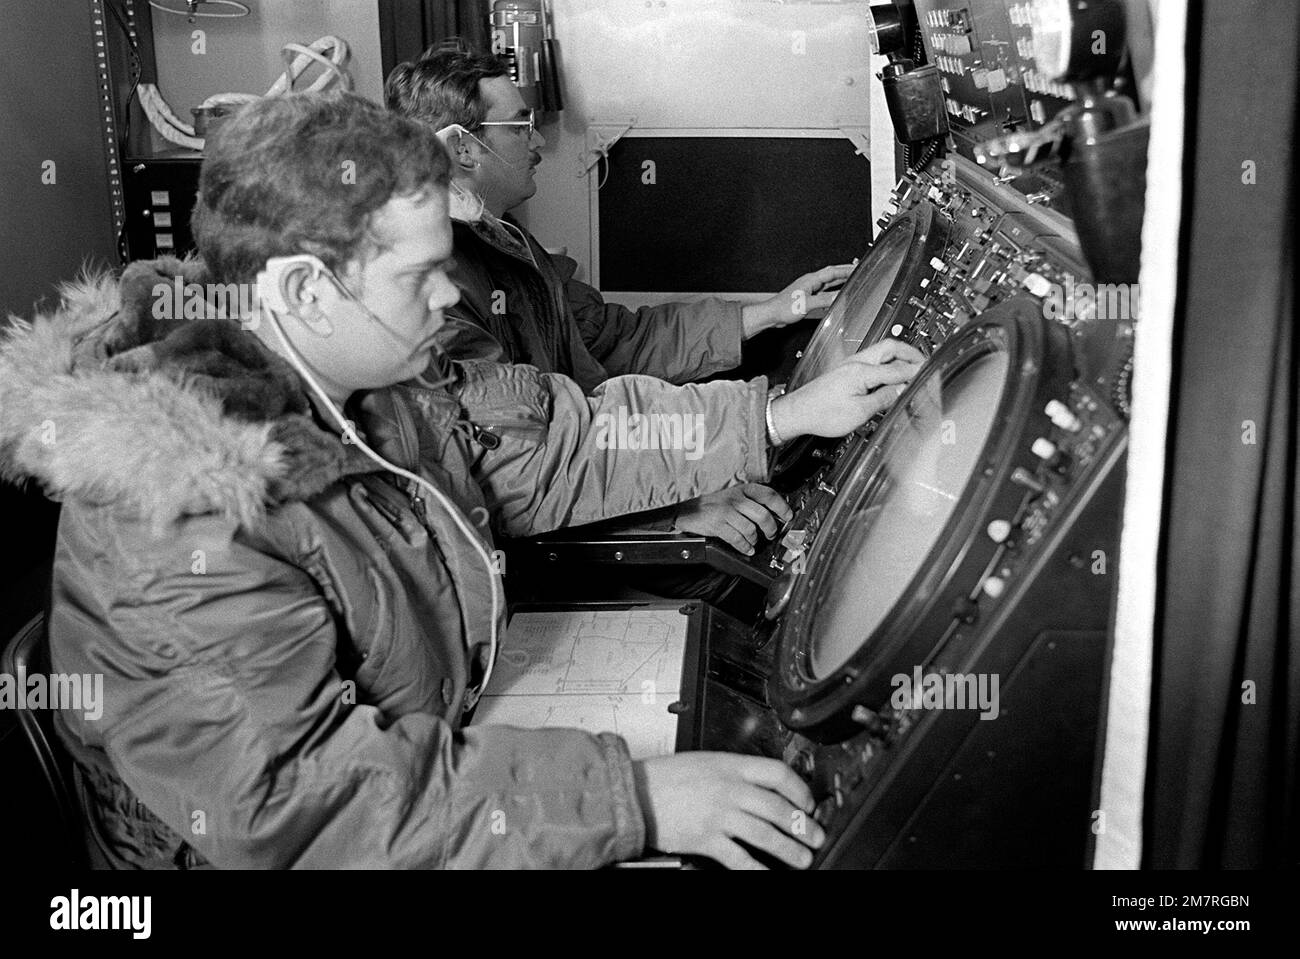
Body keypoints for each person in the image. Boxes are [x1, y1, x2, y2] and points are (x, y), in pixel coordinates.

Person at [0, 91, 921, 869]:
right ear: (304, 294)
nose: (451, 297)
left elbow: (550, 443)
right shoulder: (179, 524)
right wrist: (626, 797)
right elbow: (305, 803)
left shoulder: (364, 382)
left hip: (430, 735)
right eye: (422, 274)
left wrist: (772, 417)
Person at [386, 47, 855, 556]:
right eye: (521, 124)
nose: (538, 138)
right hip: (551, 549)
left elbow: (609, 340)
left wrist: (772, 311)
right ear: (464, 151)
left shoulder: (506, 242)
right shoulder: (432, 296)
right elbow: (526, 470)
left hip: (598, 478)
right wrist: (682, 501)